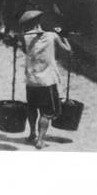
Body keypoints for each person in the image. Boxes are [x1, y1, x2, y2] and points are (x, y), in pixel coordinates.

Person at [17, 9, 72, 148]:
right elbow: (68, 50)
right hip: (47, 81)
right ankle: (40, 140)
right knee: (46, 113)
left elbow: (26, 50)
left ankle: (32, 134)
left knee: (32, 109)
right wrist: (63, 35)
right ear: (39, 21)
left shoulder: (25, 37)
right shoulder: (52, 36)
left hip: (31, 80)